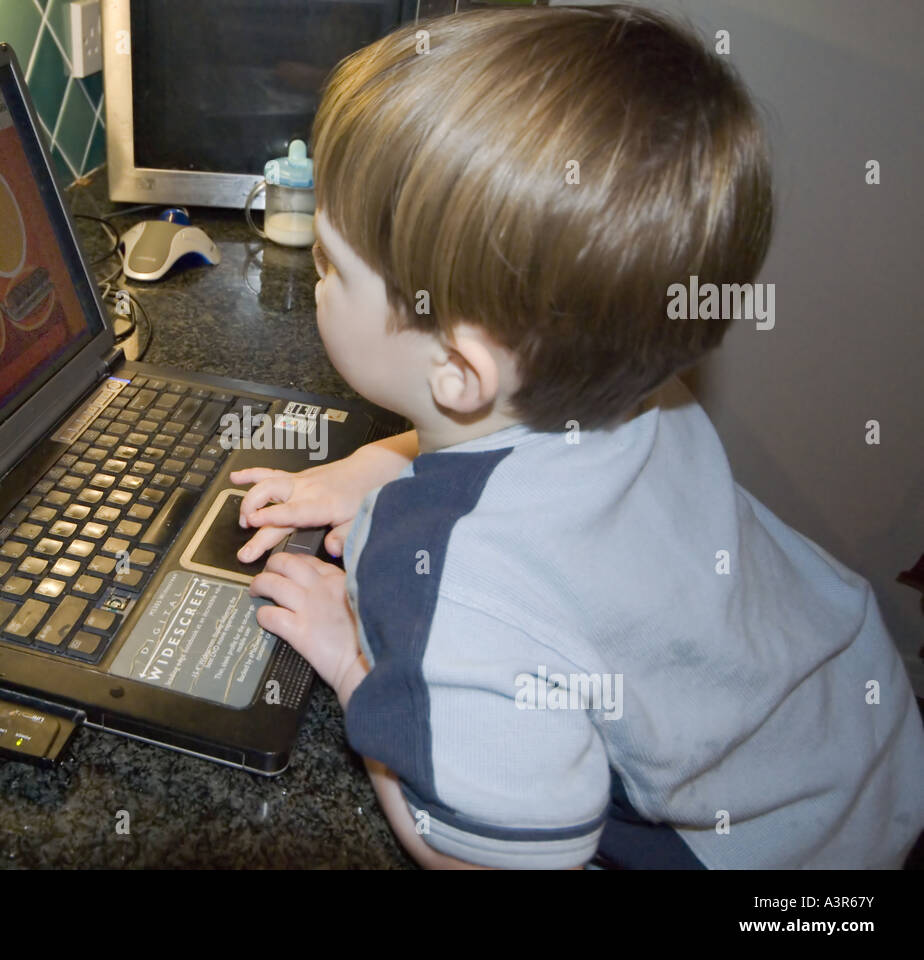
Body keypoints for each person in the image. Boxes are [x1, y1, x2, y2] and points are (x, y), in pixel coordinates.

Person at [233, 4, 924, 869]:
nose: (317, 277)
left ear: (458, 368)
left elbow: (486, 853)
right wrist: (378, 463)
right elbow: (518, 456)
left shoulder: (451, 585)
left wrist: (354, 665)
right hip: (864, 742)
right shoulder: (638, 393)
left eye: (333, 263)